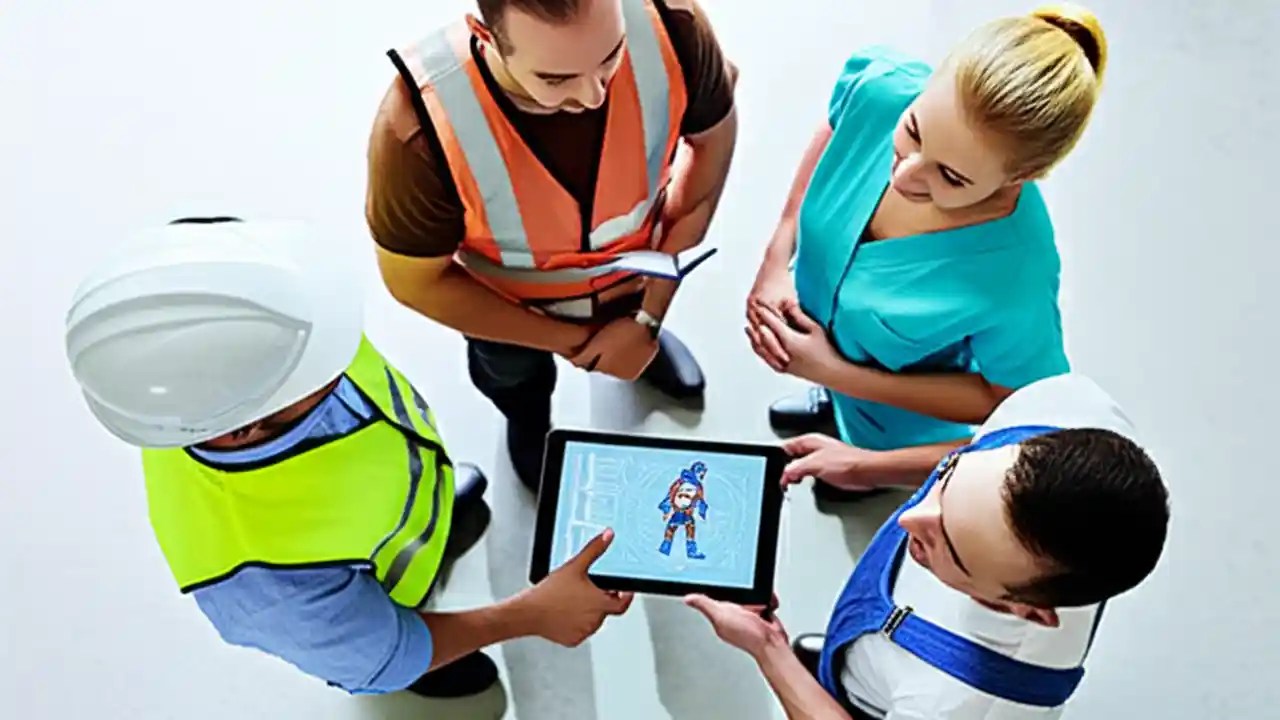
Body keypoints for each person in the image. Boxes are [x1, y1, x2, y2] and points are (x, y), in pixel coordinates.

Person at [62, 217, 633, 699]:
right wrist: (527, 615)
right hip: (380, 623)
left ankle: (433, 530)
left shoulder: (275, 334)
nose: (334, 340)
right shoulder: (266, 583)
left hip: (394, 515)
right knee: (402, 658)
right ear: (243, 427)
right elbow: (377, 656)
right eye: (314, 360)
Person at [366, 0, 738, 492]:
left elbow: (711, 150)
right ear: (486, 35)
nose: (594, 95)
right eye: (556, 80)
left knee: (632, 333)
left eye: (612, 56)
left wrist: (646, 318)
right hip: (508, 315)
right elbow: (415, 283)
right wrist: (575, 345)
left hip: (640, 273)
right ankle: (529, 422)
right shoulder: (417, 130)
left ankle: (643, 344)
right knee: (517, 382)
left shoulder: (673, 25)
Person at [746, 4, 1107, 503]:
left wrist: (854, 423)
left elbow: (1010, 407)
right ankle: (831, 405)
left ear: (1018, 179)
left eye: (952, 177)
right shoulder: (885, 88)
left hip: (895, 422)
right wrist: (775, 258)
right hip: (827, 360)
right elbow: (839, 123)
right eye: (913, 130)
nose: (905, 176)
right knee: (835, 407)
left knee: (848, 464)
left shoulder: (1016, 279)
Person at [687, 373, 1171, 719]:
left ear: (1027, 611)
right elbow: (975, 445)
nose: (907, 517)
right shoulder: (1065, 410)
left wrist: (769, 650)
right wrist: (866, 465)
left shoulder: (961, 703)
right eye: (948, 482)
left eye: (950, 545)